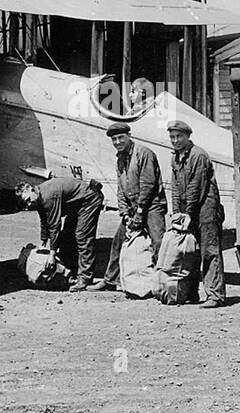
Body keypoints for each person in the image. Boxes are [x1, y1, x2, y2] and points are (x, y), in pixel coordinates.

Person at [90, 122, 166, 292]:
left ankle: (162, 284)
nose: (117, 142)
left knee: (158, 241)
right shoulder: (120, 159)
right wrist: (124, 213)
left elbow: (148, 184)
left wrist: (140, 212)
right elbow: (121, 188)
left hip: (152, 206)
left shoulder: (143, 153)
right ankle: (110, 280)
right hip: (132, 208)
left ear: (129, 136)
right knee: (118, 241)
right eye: (114, 139)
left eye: (121, 138)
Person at [167, 119, 225, 308]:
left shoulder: (198, 155)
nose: (175, 140)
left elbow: (196, 186)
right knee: (190, 250)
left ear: (187, 136)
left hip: (206, 207)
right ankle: (191, 293)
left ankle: (216, 295)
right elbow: (175, 186)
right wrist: (176, 213)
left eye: (179, 136)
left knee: (209, 250)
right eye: (172, 137)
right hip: (189, 210)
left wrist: (188, 213)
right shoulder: (175, 157)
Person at [14, 176, 104, 292]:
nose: (28, 204)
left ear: (31, 189)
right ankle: (71, 269)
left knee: (82, 237)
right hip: (77, 204)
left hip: (89, 200)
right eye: (25, 203)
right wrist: (42, 243)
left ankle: (85, 279)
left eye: (27, 200)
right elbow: (44, 221)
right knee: (67, 236)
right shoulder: (38, 198)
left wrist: (52, 255)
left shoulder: (48, 196)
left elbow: (54, 226)